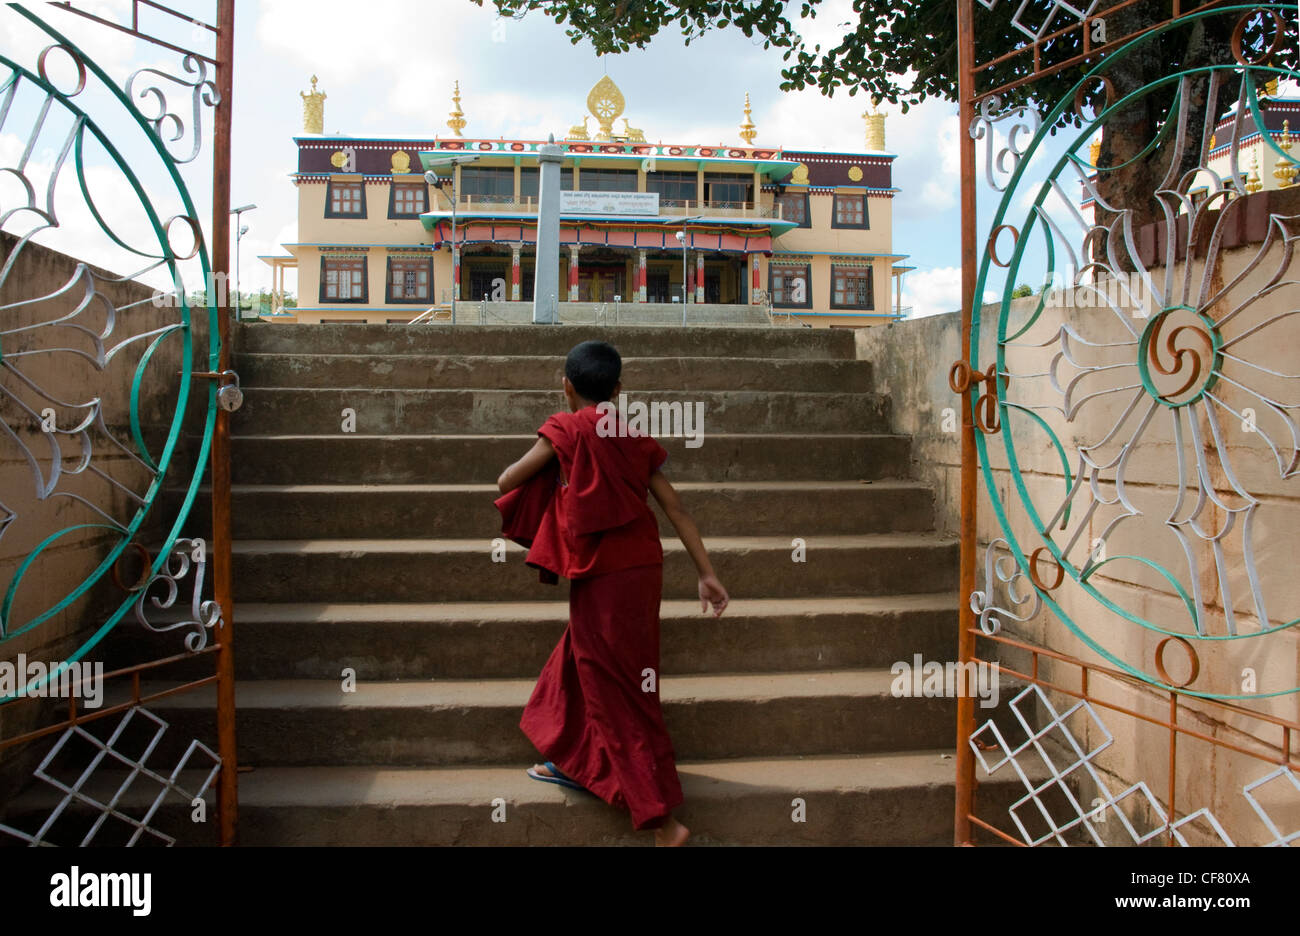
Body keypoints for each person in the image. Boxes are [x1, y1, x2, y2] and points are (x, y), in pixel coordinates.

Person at [495, 339, 729, 847]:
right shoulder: (633, 436)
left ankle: (662, 821)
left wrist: (559, 464)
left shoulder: (564, 429)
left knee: (615, 689)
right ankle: (574, 761)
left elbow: (507, 479)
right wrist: (707, 572)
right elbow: (676, 508)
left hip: (600, 573)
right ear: (619, 390)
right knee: (583, 663)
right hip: (643, 570)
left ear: (566, 386)